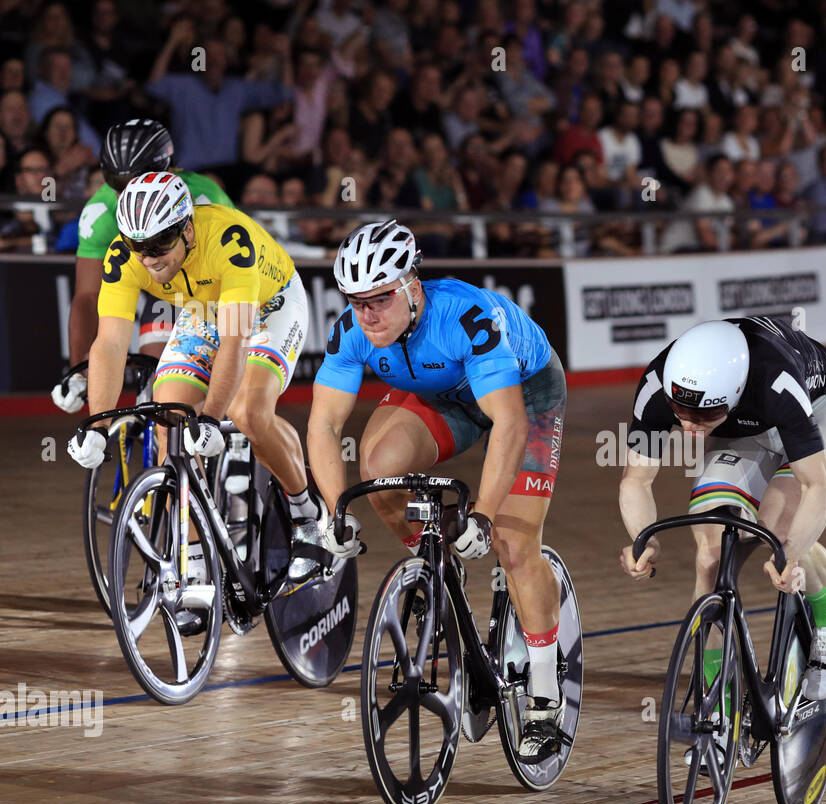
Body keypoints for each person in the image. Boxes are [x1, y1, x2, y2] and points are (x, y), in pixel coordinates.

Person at [307, 220, 569, 759]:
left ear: (411, 287)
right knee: (378, 474)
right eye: (355, 302)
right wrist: (333, 512)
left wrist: (485, 515)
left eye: (379, 299)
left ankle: (545, 694)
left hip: (524, 393)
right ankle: (438, 570)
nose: (366, 315)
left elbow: (510, 424)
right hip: (442, 395)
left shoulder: (467, 318)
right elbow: (324, 427)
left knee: (515, 547)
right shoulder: (352, 331)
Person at [66, 171, 322, 602]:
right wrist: (96, 424)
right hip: (204, 312)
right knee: (170, 422)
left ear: (187, 228)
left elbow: (237, 337)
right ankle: (196, 564)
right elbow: (109, 343)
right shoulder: (124, 256)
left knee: (247, 412)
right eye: (138, 247)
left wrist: (212, 417)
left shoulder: (228, 239)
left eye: (159, 245)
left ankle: (306, 514)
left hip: (269, 307)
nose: (148, 259)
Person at [618, 317, 826, 700]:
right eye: (681, 412)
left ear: (733, 393)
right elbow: (636, 480)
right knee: (710, 555)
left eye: (704, 416)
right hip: (747, 430)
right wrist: (642, 538)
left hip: (823, 408)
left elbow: (818, 485)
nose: (690, 427)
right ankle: (718, 700)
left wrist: (791, 555)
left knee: (778, 530)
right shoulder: (660, 385)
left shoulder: (775, 381)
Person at [53, 120, 233, 412]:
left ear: (171, 171)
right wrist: (79, 370)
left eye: (139, 181)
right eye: (117, 186)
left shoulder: (204, 199)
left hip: (214, 289)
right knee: (154, 383)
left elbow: (234, 282)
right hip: (163, 291)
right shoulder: (101, 214)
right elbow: (88, 295)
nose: (128, 197)